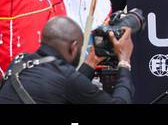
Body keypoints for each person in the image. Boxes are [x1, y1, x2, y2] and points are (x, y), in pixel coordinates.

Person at [0, 15, 134, 104]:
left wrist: (90, 63)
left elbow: (63, 86)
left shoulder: (19, 61)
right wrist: (124, 61)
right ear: (74, 47)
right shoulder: (66, 78)